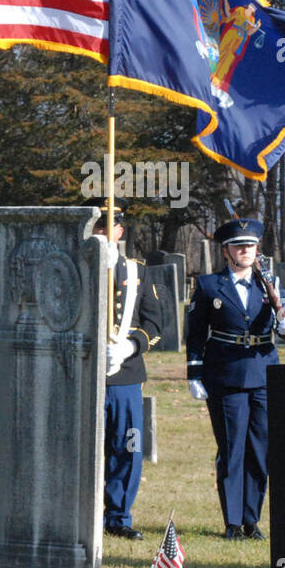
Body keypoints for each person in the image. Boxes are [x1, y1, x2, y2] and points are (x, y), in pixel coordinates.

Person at [186, 217, 285, 539]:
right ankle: (233, 522)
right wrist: (194, 374)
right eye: (238, 246)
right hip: (226, 375)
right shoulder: (210, 286)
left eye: (250, 245)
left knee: (260, 450)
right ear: (226, 251)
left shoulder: (270, 283)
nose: (245, 250)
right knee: (232, 449)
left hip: (263, 373)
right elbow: (195, 334)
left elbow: (283, 323)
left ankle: (252, 519)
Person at [86, 196, 162, 540]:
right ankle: (84, 515)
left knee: (127, 446)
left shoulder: (137, 271)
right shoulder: (73, 267)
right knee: (85, 447)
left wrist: (131, 345)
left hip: (126, 375)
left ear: (120, 229)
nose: (104, 233)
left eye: (110, 226)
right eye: (97, 226)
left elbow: (156, 323)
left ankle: (119, 516)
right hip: (84, 372)